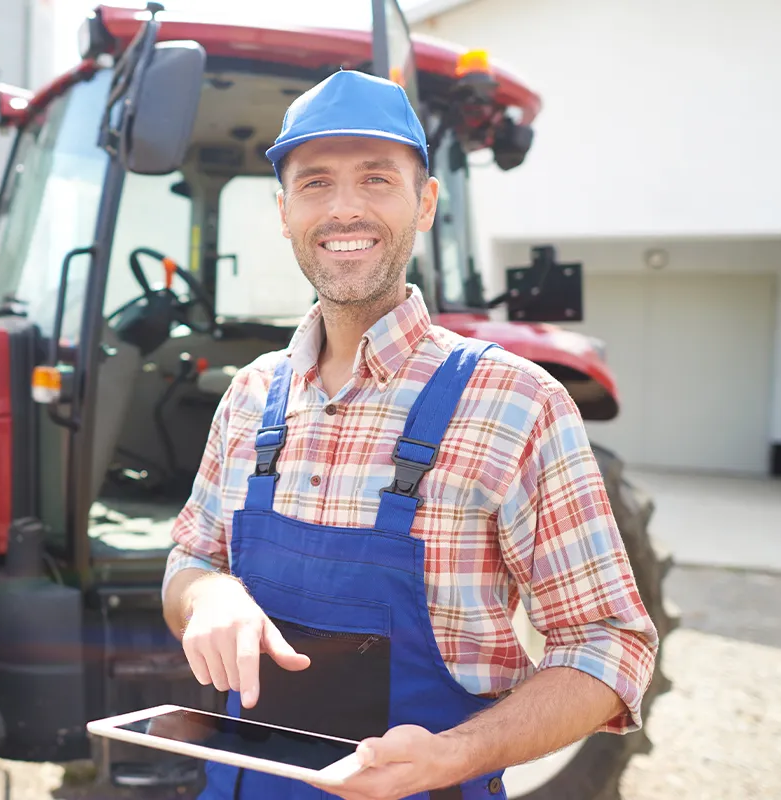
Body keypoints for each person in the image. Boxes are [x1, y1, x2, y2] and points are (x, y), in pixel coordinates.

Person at [160, 69, 660, 800]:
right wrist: (208, 594)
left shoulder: (516, 404)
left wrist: (455, 755)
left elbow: (609, 645)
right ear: (283, 212)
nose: (344, 208)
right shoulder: (249, 398)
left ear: (424, 203)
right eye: (315, 183)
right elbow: (190, 558)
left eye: (376, 179)